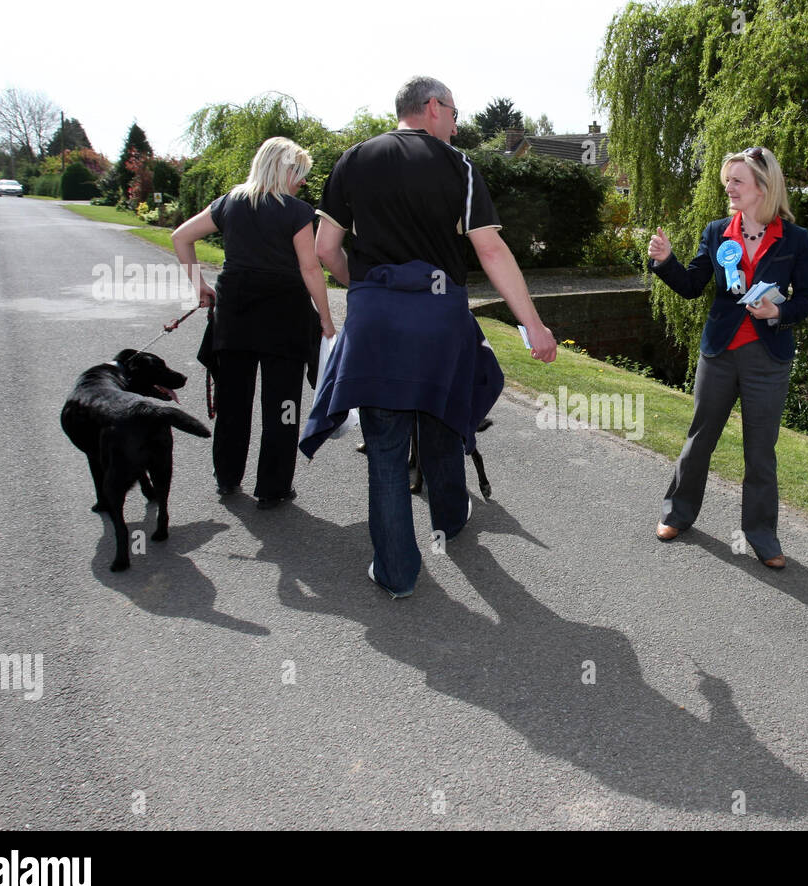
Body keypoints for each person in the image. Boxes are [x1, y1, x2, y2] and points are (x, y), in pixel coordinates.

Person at [300, 76, 556, 599]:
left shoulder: (353, 160)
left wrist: (369, 286)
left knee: (387, 449)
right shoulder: (457, 166)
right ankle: (451, 519)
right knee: (443, 419)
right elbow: (489, 250)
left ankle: (396, 574)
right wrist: (533, 323)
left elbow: (326, 248)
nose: (458, 126)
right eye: (455, 114)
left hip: (376, 325)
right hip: (439, 323)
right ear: (433, 108)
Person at [647, 146, 808, 568]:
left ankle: (761, 536)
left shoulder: (795, 239)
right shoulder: (718, 230)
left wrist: (778, 310)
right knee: (699, 438)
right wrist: (666, 262)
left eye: (737, 180)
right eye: (728, 180)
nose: (729, 187)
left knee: (760, 451)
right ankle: (677, 514)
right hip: (720, 354)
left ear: (763, 186)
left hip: (768, 359)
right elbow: (691, 285)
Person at [173, 137, 335, 510]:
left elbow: (181, 237)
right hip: (285, 319)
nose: (304, 182)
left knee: (233, 402)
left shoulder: (230, 203)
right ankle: (273, 487)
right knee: (283, 406)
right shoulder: (296, 211)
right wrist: (326, 320)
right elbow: (310, 268)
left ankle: (228, 477)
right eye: (301, 174)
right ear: (285, 170)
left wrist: (199, 286)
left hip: (235, 316)